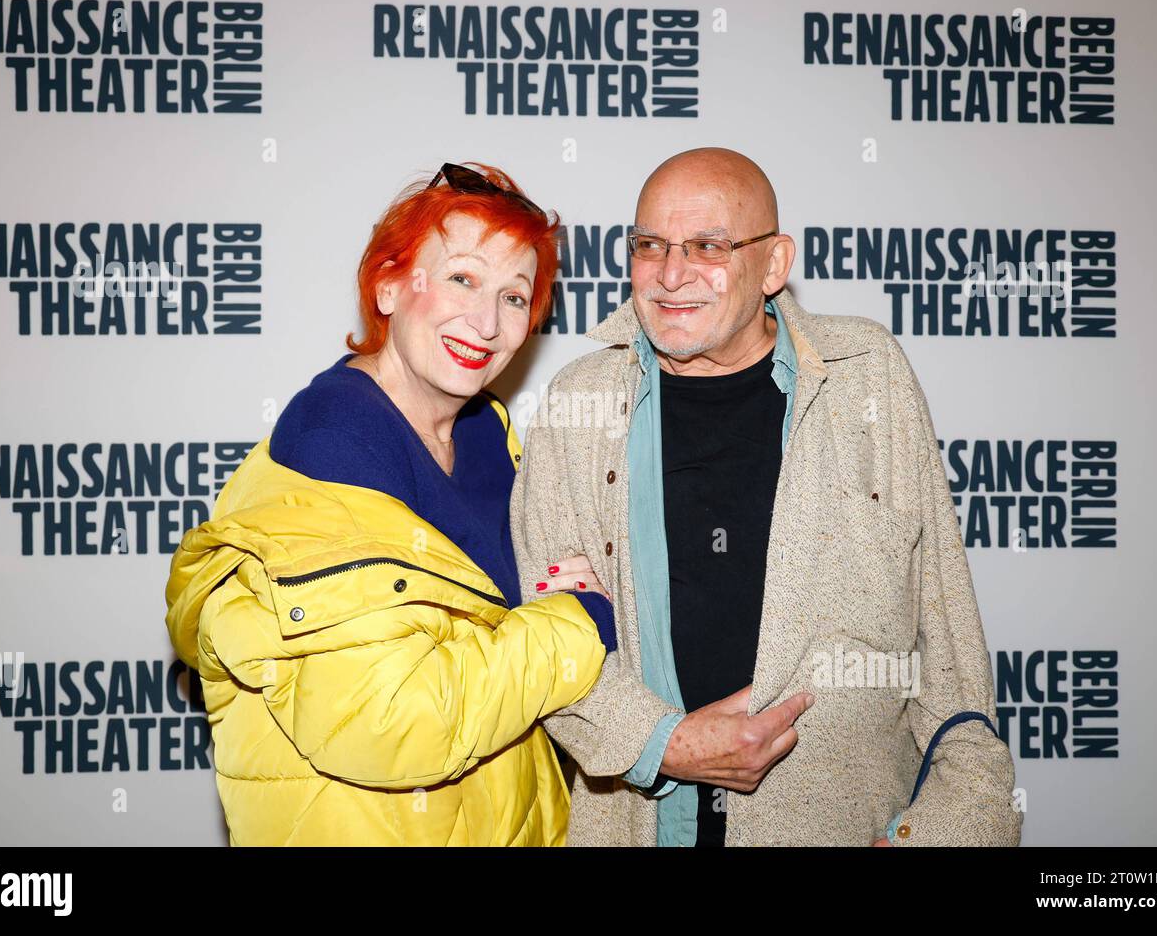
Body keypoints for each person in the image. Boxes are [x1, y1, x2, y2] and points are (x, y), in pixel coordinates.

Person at [511, 147, 1022, 846]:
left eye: (708, 246)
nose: (669, 273)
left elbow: (949, 646)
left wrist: (947, 830)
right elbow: (547, 651)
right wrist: (669, 745)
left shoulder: (868, 378)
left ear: (774, 265)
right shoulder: (578, 404)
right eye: (649, 245)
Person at [164, 162, 614, 846]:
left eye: (515, 297)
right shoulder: (331, 447)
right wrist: (580, 620)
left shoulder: (490, 434)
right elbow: (394, 720)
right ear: (389, 285)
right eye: (462, 278)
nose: (487, 321)